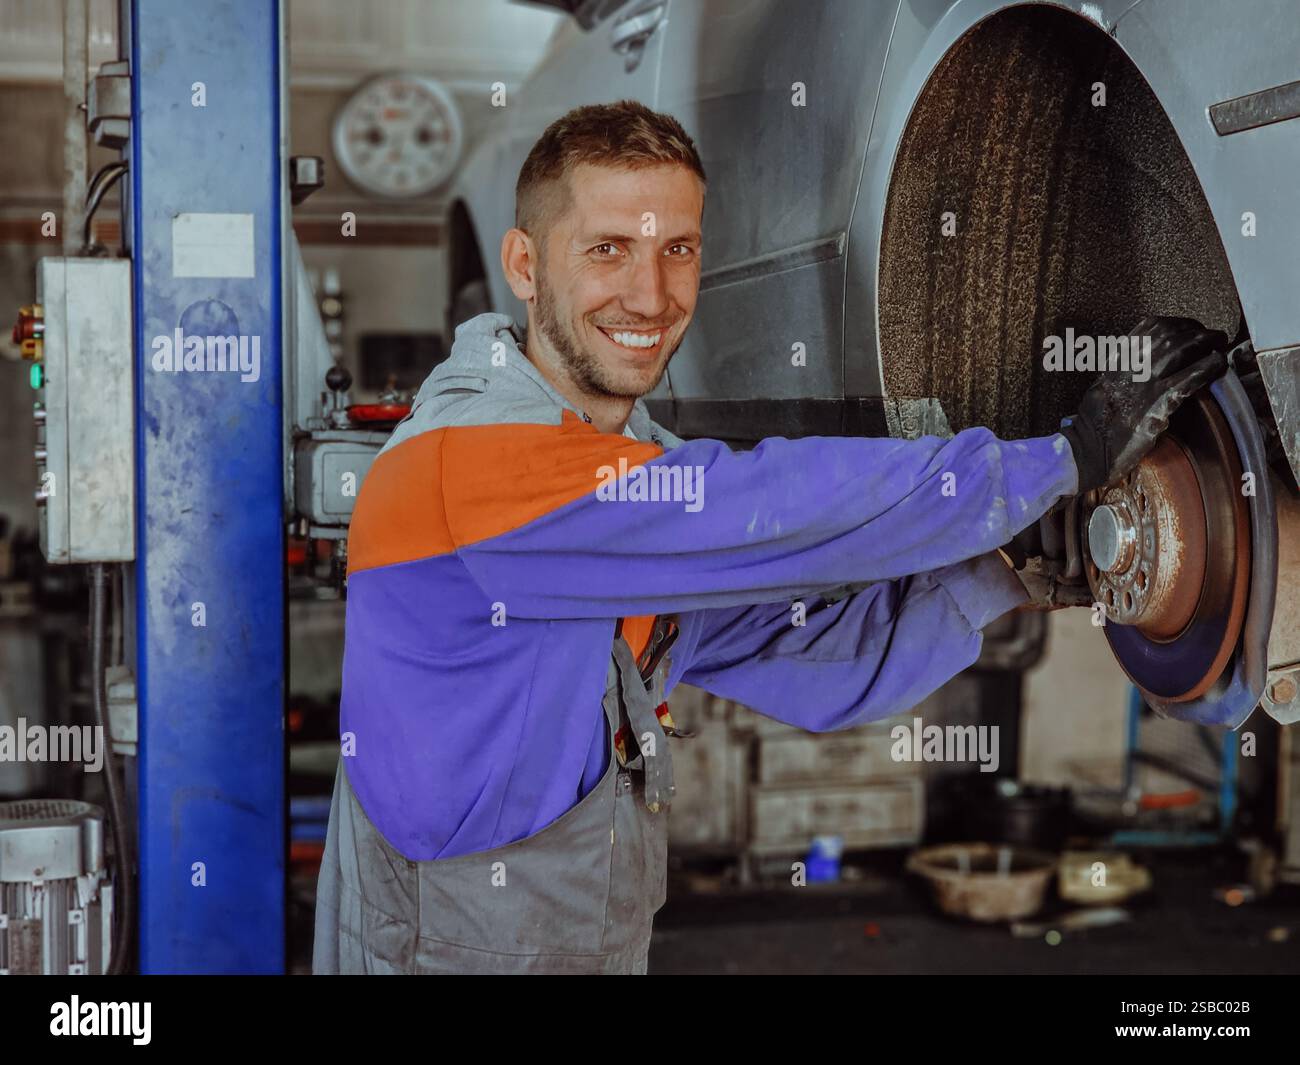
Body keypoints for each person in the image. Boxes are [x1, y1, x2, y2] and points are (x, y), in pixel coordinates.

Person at [312, 100, 1227, 974]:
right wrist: (1057, 459)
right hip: (450, 935)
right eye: (606, 250)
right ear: (522, 265)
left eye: (678, 249)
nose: (651, 291)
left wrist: (1005, 570)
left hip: (571, 922)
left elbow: (800, 649)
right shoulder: (471, 459)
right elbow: (768, 504)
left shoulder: (624, 472)